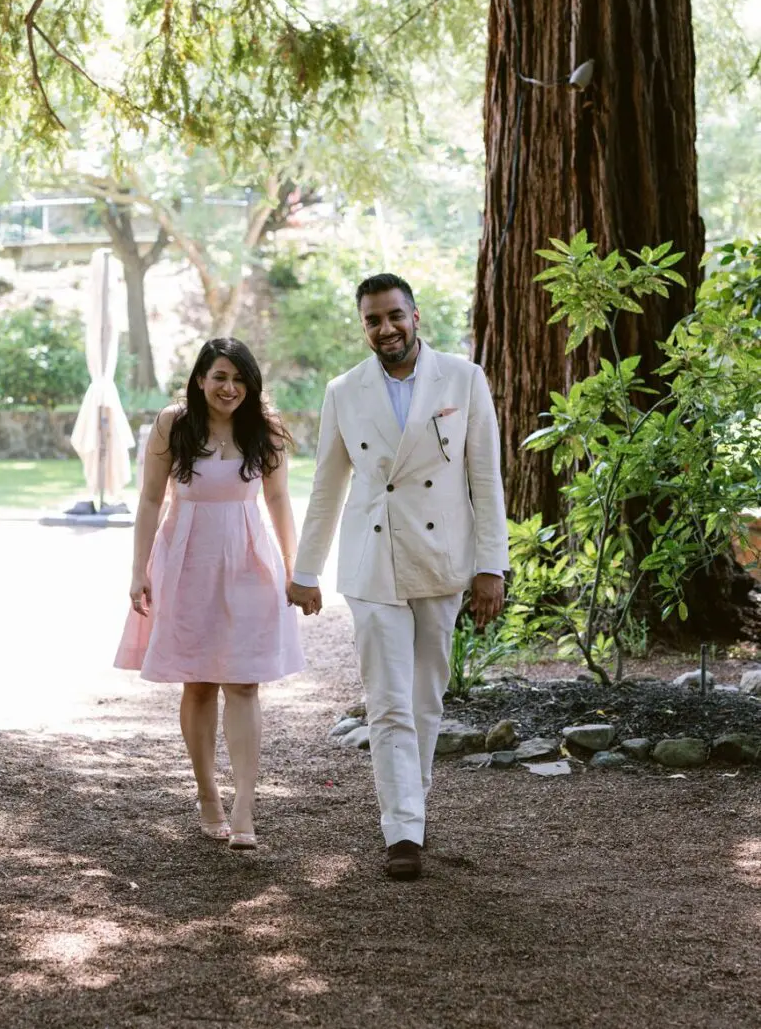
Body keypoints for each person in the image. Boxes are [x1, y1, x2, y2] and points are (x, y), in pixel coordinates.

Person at [288, 274, 508, 881]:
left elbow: (484, 478)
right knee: (388, 703)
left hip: (442, 558)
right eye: (372, 320)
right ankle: (402, 830)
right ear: (363, 326)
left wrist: (491, 565)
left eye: (393, 316)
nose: (384, 329)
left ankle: (412, 804)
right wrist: (305, 571)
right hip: (372, 560)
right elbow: (327, 485)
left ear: (416, 316)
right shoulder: (344, 390)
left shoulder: (463, 378)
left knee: (425, 699)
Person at [115, 337, 303, 851]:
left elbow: (280, 499)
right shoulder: (173, 424)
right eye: (220, 376)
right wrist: (138, 570)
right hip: (186, 560)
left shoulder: (263, 427)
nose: (230, 388)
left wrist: (295, 569)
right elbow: (151, 499)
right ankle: (207, 796)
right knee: (197, 683)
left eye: (240, 379)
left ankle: (245, 803)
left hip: (248, 559)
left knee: (244, 682)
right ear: (200, 379)